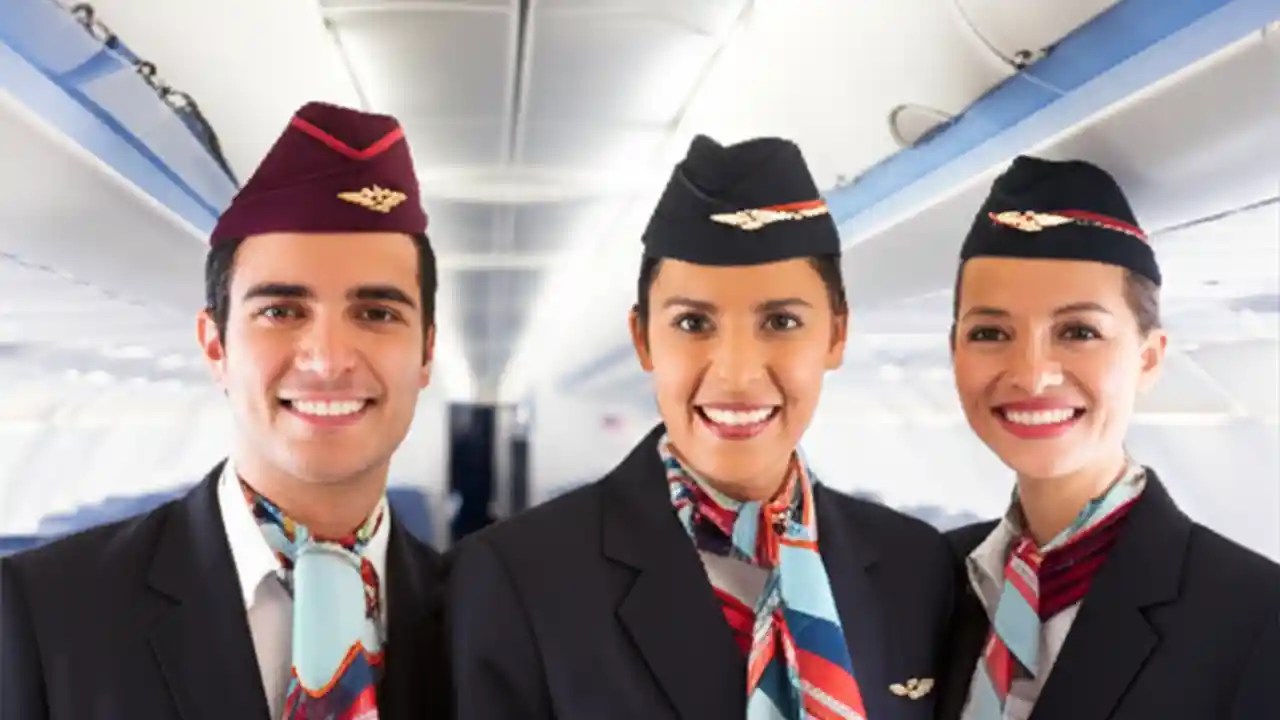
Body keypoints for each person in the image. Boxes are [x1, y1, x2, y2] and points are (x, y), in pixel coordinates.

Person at [447, 135, 955, 719]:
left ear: (837, 336)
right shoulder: (518, 579)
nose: (737, 373)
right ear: (643, 340)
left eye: (782, 321)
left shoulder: (915, 567)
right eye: (692, 322)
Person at [1, 102, 450, 719]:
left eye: (376, 314)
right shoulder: (45, 612)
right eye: (281, 311)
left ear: (425, 353)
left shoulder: (497, 620)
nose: (326, 359)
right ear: (216, 346)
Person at [934, 156, 1280, 720]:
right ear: (955, 355)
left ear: (1147, 358)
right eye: (990, 333)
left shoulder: (1257, 617)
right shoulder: (924, 584)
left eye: (1079, 332)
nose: (1031, 373)